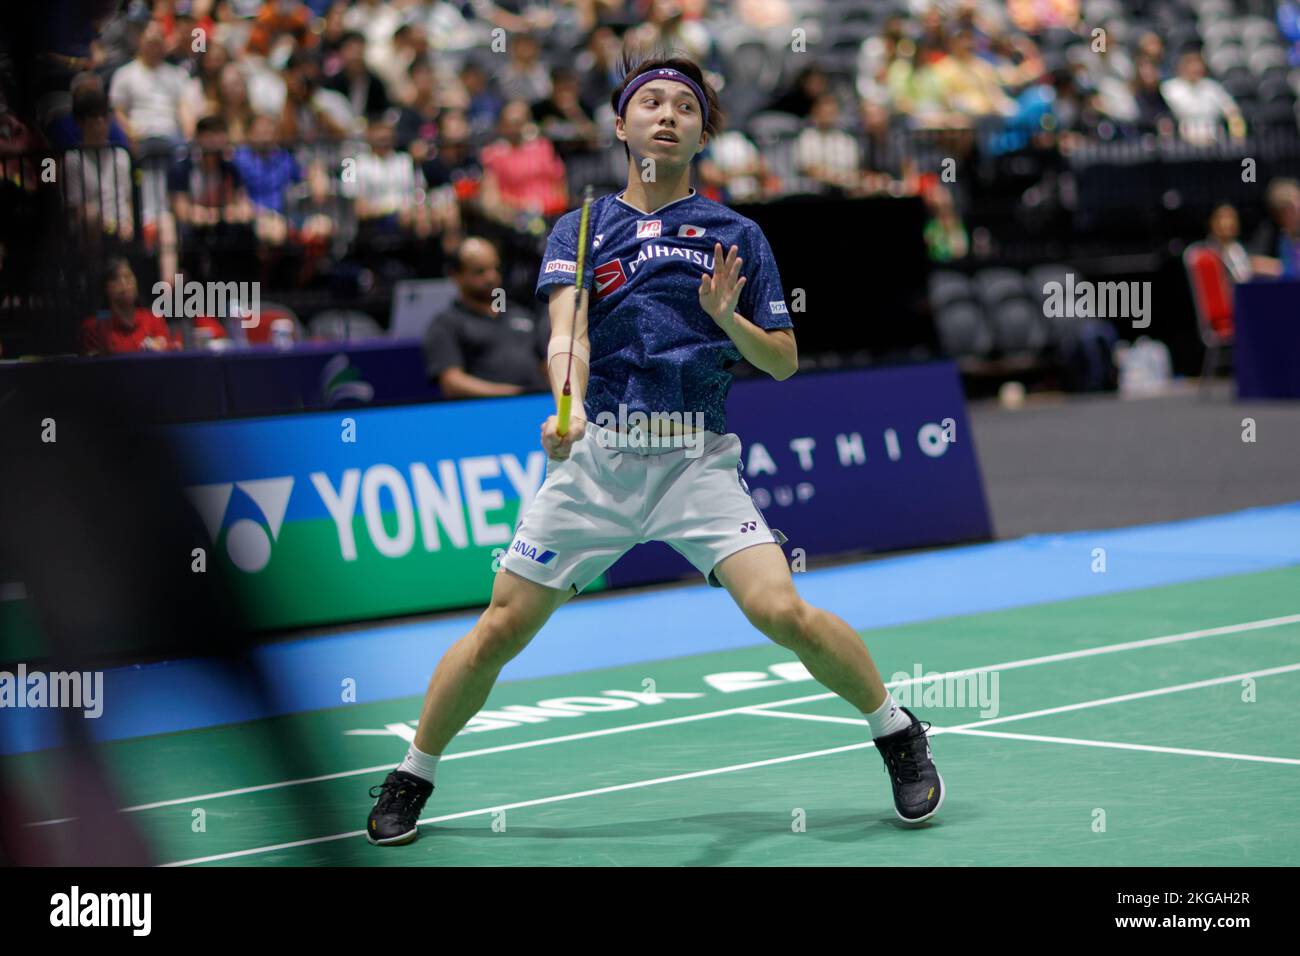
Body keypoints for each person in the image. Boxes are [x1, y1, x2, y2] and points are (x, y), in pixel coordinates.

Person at [364, 50, 946, 846]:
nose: (667, 114)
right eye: (652, 102)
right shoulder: (583, 226)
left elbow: (782, 360)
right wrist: (565, 405)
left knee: (783, 609)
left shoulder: (735, 234)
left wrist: (725, 317)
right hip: (597, 459)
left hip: (694, 461)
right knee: (500, 626)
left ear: (704, 133)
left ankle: (895, 730)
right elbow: (567, 330)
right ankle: (413, 772)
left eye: (684, 106)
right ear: (620, 124)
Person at [423, 237, 550, 397]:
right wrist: (513, 393)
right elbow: (451, 382)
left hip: (537, 404)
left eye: (495, 268)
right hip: (485, 411)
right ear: (455, 275)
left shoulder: (521, 314)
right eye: (480, 271)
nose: (491, 277)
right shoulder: (446, 323)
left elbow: (545, 364)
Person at [1248, 178, 1300, 277]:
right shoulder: (1269, 232)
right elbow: (1252, 262)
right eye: (1291, 209)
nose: (1297, 213)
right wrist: (1283, 268)